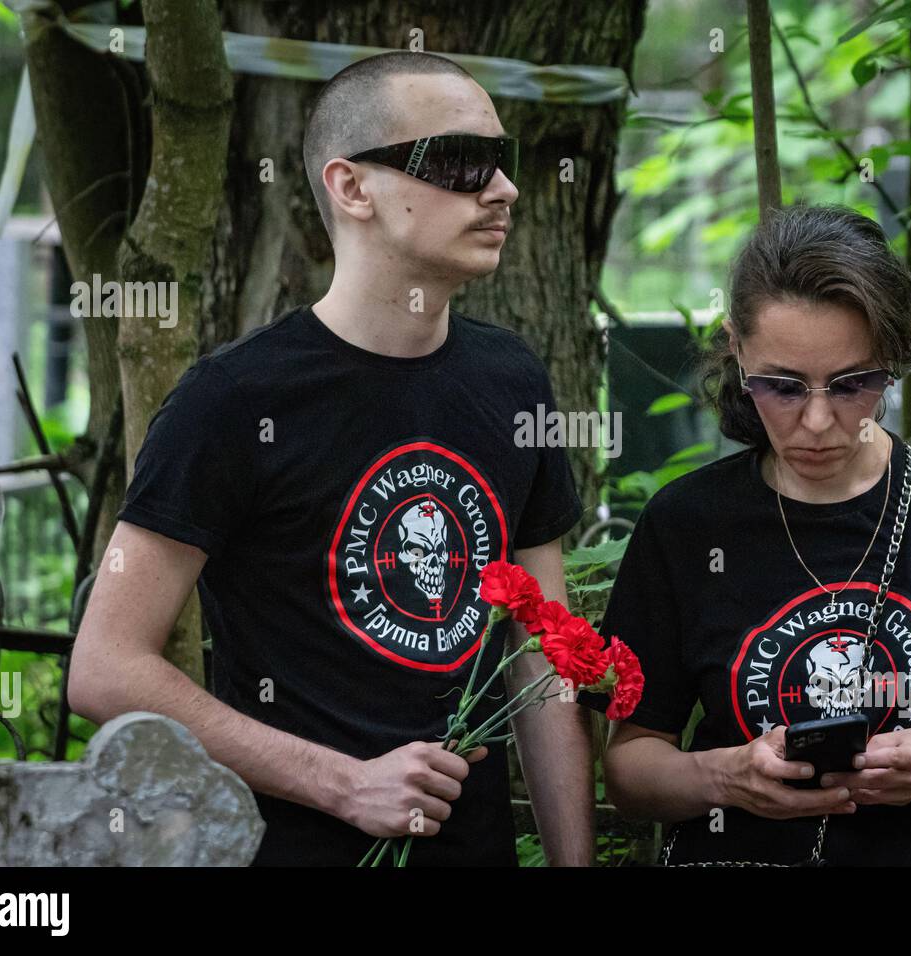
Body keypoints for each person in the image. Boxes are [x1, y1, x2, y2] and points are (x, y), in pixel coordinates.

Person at [69, 52, 596, 866]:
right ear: (352, 188)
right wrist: (344, 784)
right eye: (462, 161)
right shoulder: (233, 400)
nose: (503, 189)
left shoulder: (512, 380)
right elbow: (104, 669)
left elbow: (542, 655)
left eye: (506, 160)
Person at [577, 203, 911, 866]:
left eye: (852, 384)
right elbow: (631, 766)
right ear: (737, 349)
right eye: (781, 386)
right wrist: (733, 776)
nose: (817, 420)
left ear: (894, 360)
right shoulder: (686, 524)